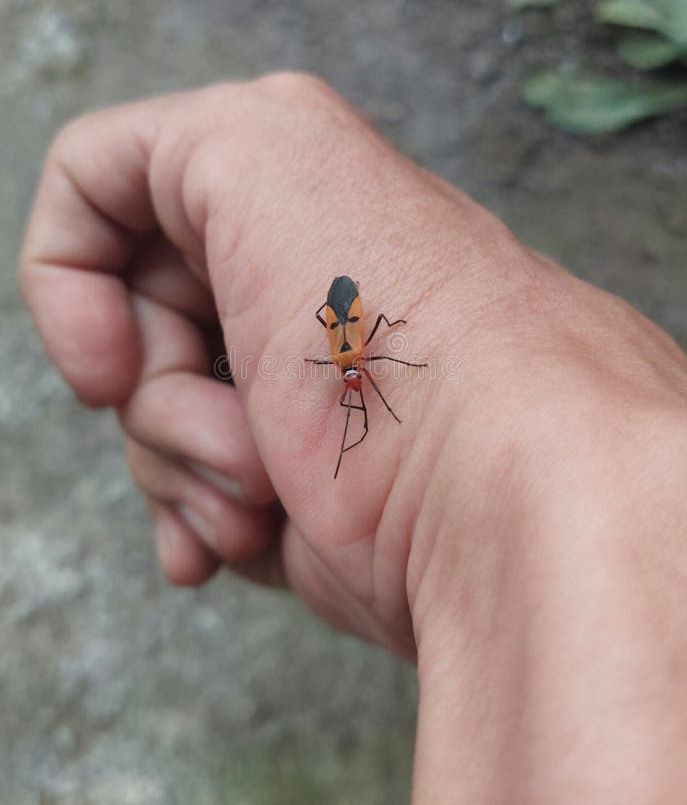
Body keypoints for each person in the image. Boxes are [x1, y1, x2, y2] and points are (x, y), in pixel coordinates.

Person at [19, 74, 687, 803]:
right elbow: (342, 339)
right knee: (353, 381)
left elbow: (367, 336)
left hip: (359, 336)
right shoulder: (342, 360)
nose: (355, 389)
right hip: (344, 344)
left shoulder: (361, 353)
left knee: (376, 362)